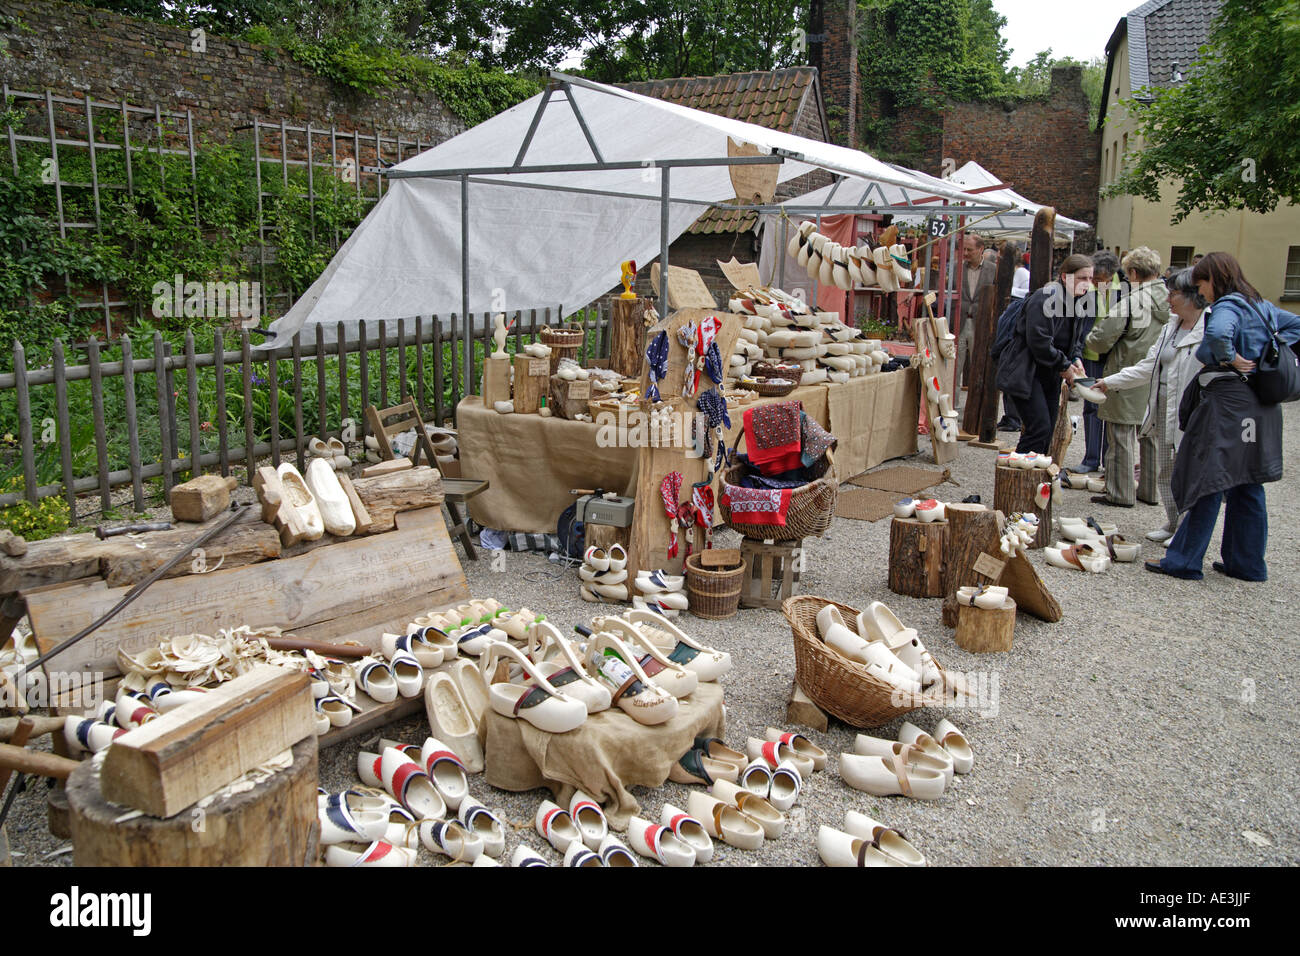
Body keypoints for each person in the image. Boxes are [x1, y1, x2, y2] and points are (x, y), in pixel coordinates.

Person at [1146, 252, 1300, 580]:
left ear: (1214, 278)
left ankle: (1183, 561)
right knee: (1248, 482)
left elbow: (1216, 337)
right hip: (1262, 407)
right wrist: (1267, 357)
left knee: (1208, 479)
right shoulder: (1263, 307)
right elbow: (1296, 328)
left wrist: (1231, 358)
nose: (1201, 292)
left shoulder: (1229, 306)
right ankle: (1246, 564)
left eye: (1202, 283)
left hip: (1229, 404)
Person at [1094, 269, 1205, 543]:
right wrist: (1109, 381)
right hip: (1164, 404)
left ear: (1192, 297)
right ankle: (1172, 522)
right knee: (1166, 469)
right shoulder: (1171, 326)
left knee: (1188, 472)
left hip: (1192, 409)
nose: (1168, 299)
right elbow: (1148, 366)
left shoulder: (1210, 328)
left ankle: (1186, 531)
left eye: (1174, 294)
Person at [1084, 246, 1171, 507]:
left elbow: (1101, 339)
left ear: (1132, 272)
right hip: (1157, 372)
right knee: (1150, 433)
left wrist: (1091, 339)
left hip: (1127, 370)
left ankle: (1120, 492)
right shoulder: (1170, 298)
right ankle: (1149, 490)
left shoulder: (1132, 301)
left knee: (1120, 433)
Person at [996, 253, 1095, 454]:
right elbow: (1038, 341)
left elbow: (1075, 341)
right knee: (1038, 429)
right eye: (1082, 278)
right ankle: (1022, 478)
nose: (1088, 283)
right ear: (1066, 277)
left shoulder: (1079, 302)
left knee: (1047, 430)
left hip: (1050, 374)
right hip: (1026, 371)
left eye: (1090, 279)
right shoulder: (1045, 297)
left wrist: (1076, 359)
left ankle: (1037, 479)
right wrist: (1066, 366)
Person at [1070, 250, 1120, 474]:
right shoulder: (1088, 292)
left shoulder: (1123, 287)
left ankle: (1108, 460)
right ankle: (1091, 458)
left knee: (1109, 408)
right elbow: (1082, 325)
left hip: (1114, 356)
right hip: (1092, 355)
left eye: (1101, 279)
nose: (1097, 283)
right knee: (1091, 407)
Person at [956, 232, 996, 390]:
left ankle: (974, 410)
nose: (965, 253)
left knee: (979, 367)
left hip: (981, 323)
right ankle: (954, 406)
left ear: (981, 249)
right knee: (955, 368)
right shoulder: (957, 268)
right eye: (964, 249)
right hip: (960, 322)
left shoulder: (993, 270)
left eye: (969, 250)